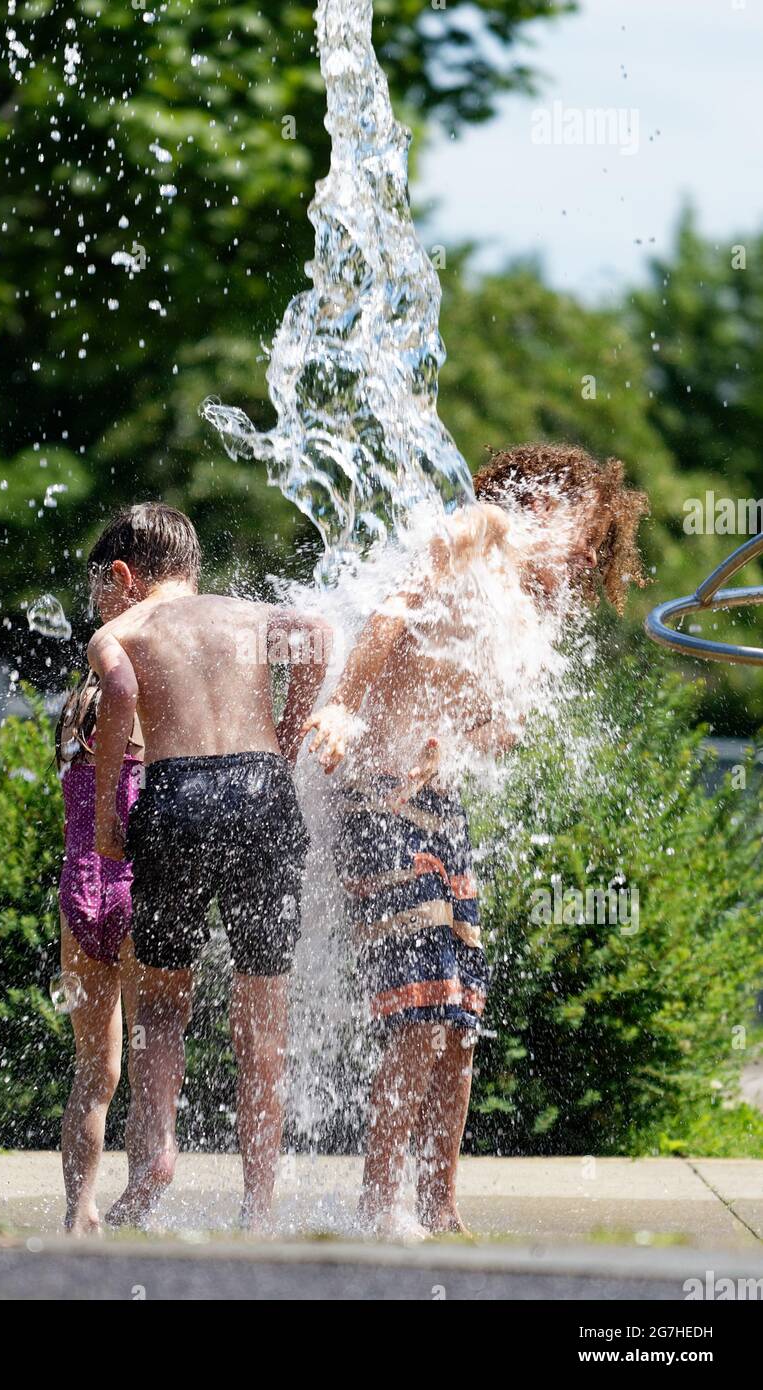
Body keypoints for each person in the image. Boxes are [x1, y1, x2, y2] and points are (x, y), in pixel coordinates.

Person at [305, 443, 649, 1237]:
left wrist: (476, 731)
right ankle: (378, 1206)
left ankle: (439, 1205)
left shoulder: (520, 612)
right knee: (422, 1003)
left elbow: (482, 728)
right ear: (545, 502)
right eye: (584, 532)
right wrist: (342, 707)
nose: (587, 557)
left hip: (436, 809)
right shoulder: (479, 530)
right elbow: (392, 612)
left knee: (459, 1017)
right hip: (373, 797)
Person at [88, 501, 332, 1230]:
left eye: (98, 586)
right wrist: (283, 740)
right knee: (263, 1011)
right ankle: (258, 1204)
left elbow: (123, 692)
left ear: (124, 577)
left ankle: (156, 1158)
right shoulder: (250, 614)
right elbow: (320, 634)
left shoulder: (121, 629)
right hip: (262, 795)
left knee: (162, 1006)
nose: (95, 603)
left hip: (176, 798)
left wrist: (107, 815)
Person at [56, 668, 144, 1237]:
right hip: (136, 886)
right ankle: (142, 1192)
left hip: (80, 888)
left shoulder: (72, 712)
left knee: (95, 1071)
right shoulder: (144, 715)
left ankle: (78, 1209)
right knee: (153, 1058)